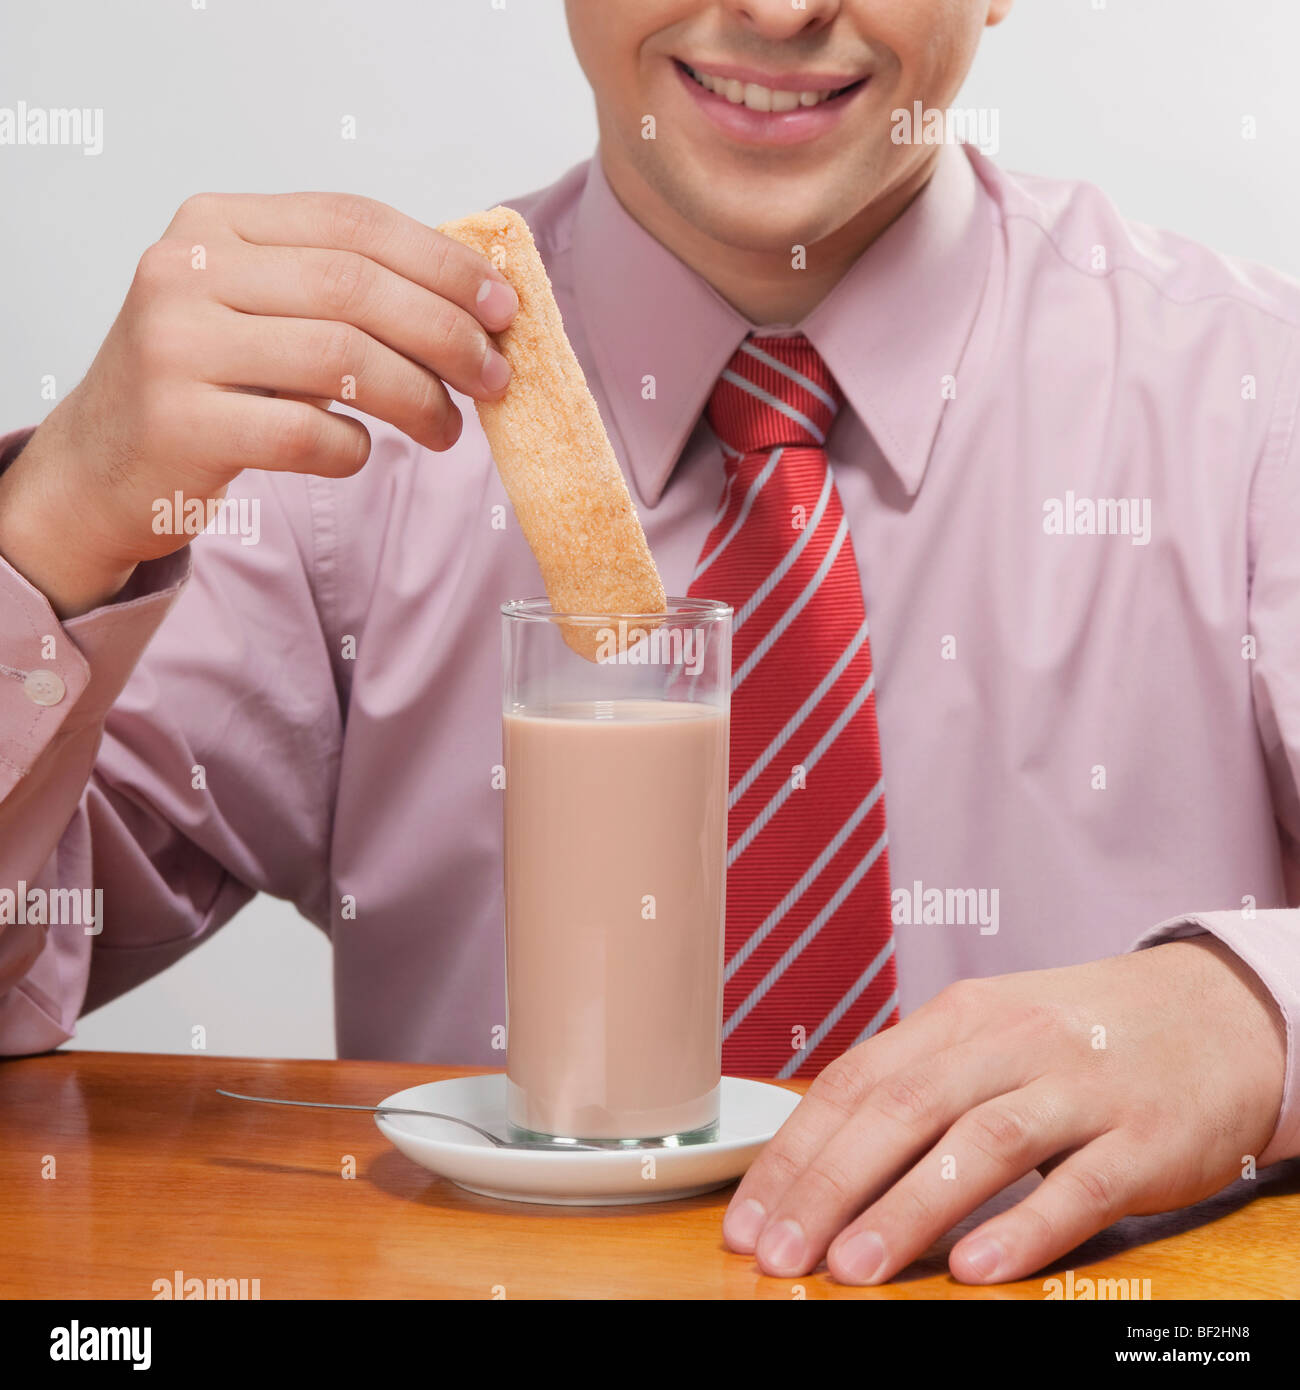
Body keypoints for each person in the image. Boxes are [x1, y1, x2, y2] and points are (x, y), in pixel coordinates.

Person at [0, 0, 1296, 1287]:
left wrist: (1252, 1016)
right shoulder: (334, 435)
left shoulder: (1253, 407)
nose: (781, 9)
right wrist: (51, 531)